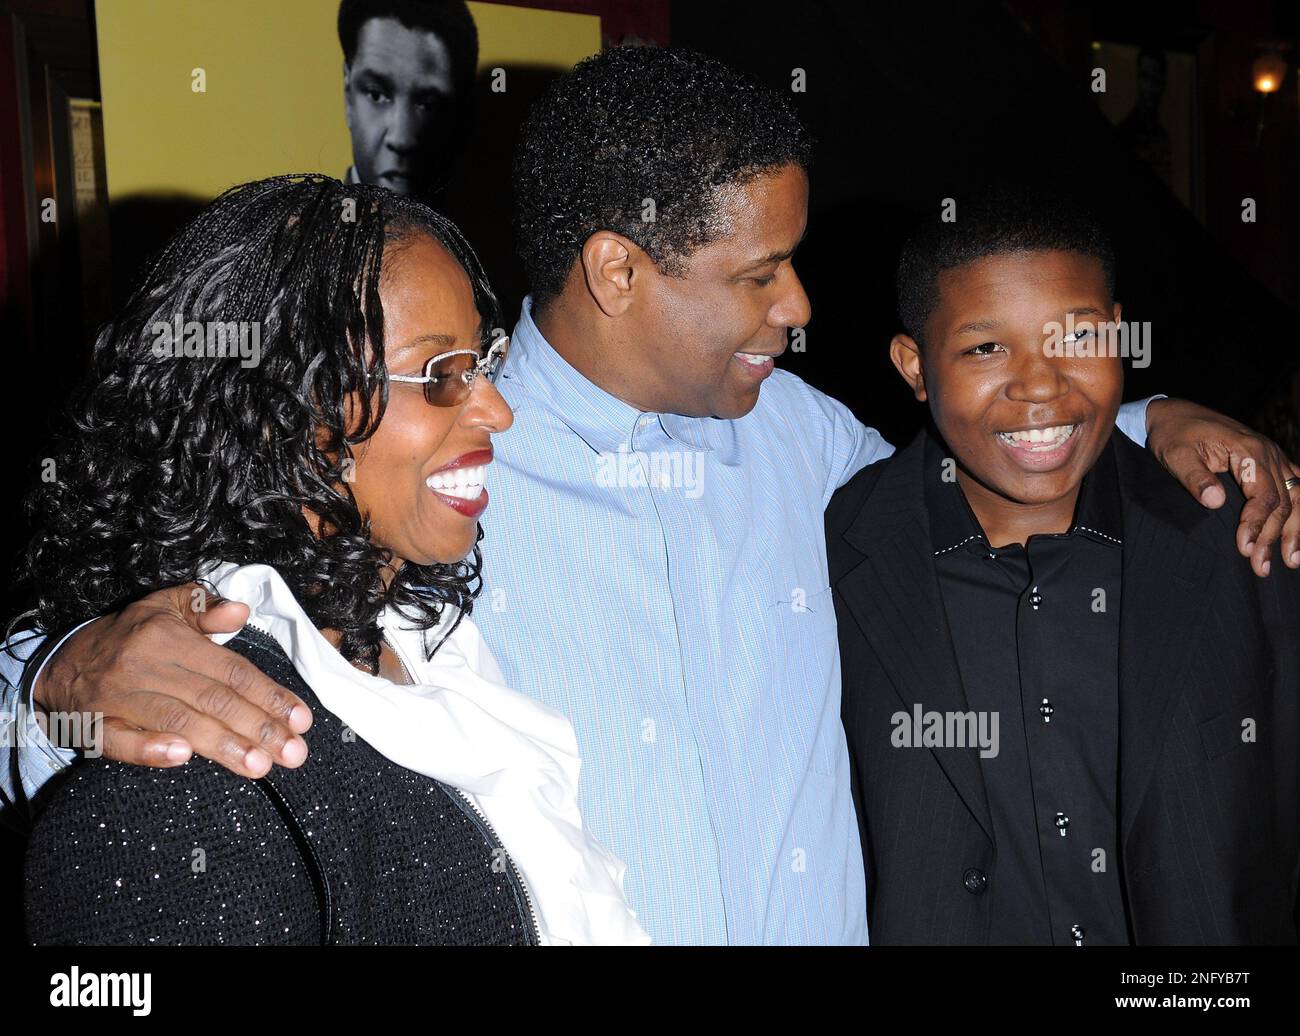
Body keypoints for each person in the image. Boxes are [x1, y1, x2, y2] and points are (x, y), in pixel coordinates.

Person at [4, 48, 1299, 946]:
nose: (798, 309)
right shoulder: (430, 470)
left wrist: (1142, 415)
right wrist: (61, 673)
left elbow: (985, 464)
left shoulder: (809, 446)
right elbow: (174, 644)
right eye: (762, 273)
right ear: (619, 271)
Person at [15, 174, 647, 945]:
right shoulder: (208, 757)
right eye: (440, 374)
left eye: (483, 360)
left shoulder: (428, 647)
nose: (497, 409)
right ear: (279, 412)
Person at [827, 187, 1299, 945]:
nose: (1042, 385)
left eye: (1077, 340)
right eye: (985, 348)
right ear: (915, 366)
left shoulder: (1245, 536)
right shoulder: (831, 560)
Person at [339, 0, 478, 198]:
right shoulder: (300, 226)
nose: (401, 139)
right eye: (376, 95)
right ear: (347, 90)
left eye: (428, 105)